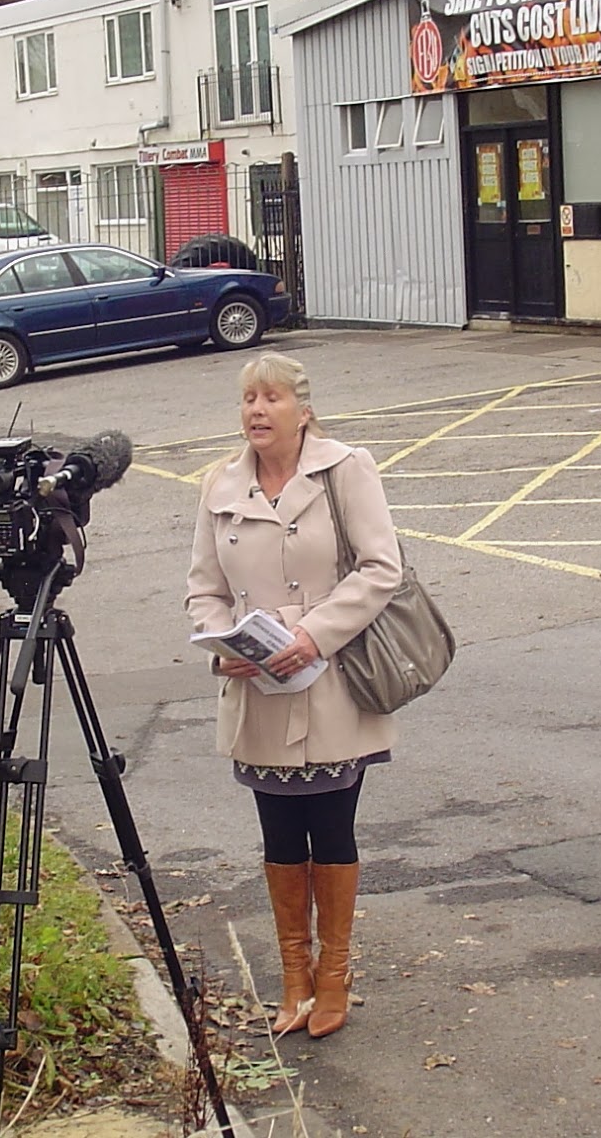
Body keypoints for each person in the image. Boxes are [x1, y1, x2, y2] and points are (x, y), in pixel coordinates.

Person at [186, 353, 401, 1039]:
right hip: (258, 693)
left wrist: (312, 636)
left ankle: (333, 977)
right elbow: (204, 587)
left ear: (302, 410)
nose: (256, 409)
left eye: (271, 397)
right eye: (248, 397)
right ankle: (294, 982)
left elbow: (381, 567)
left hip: (333, 683)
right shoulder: (220, 485)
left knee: (330, 832)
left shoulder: (344, 469)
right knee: (278, 836)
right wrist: (224, 643)